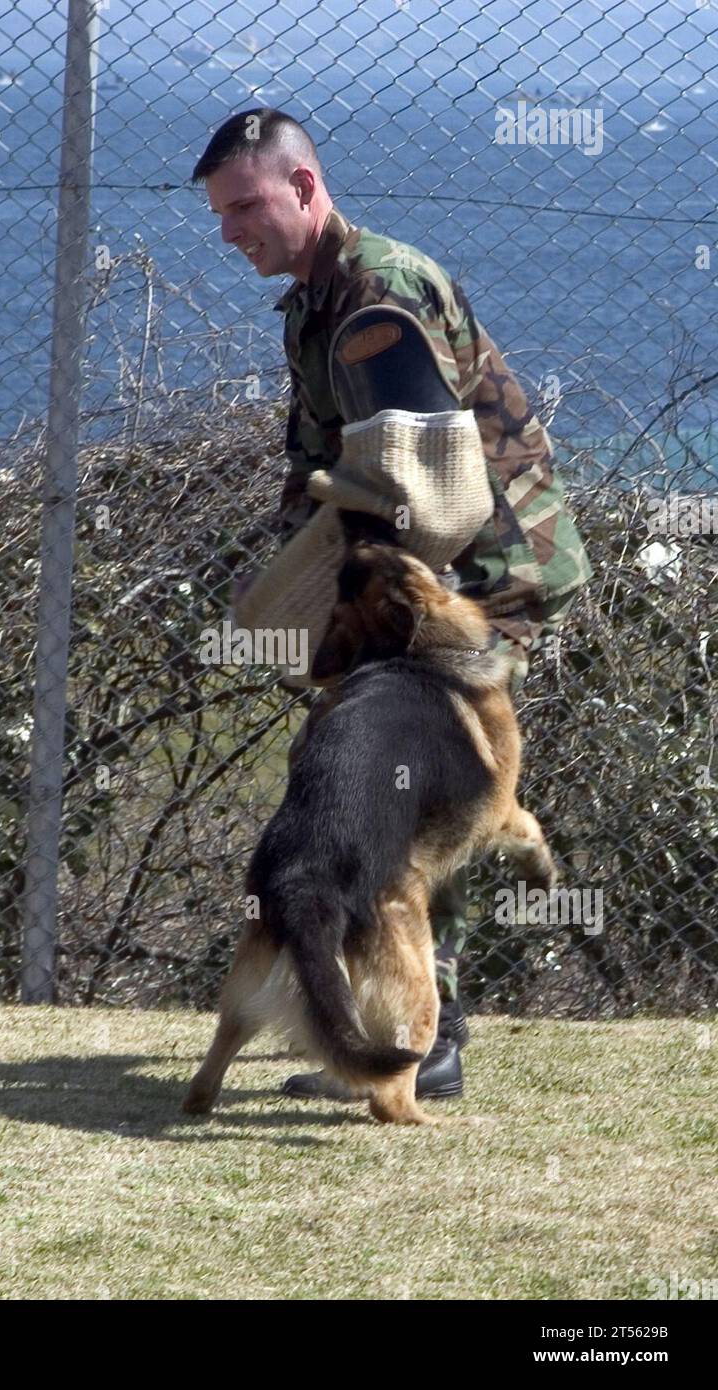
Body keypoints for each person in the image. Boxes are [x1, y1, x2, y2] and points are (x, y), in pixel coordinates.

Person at [192, 108, 591, 1100]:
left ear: (302, 186)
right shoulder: (316, 302)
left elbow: (434, 492)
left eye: (245, 204)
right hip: (418, 579)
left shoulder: (377, 298)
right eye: (218, 212)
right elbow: (337, 472)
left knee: (424, 787)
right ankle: (396, 1017)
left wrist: (380, 625)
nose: (231, 229)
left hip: (477, 575)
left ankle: (427, 1035)